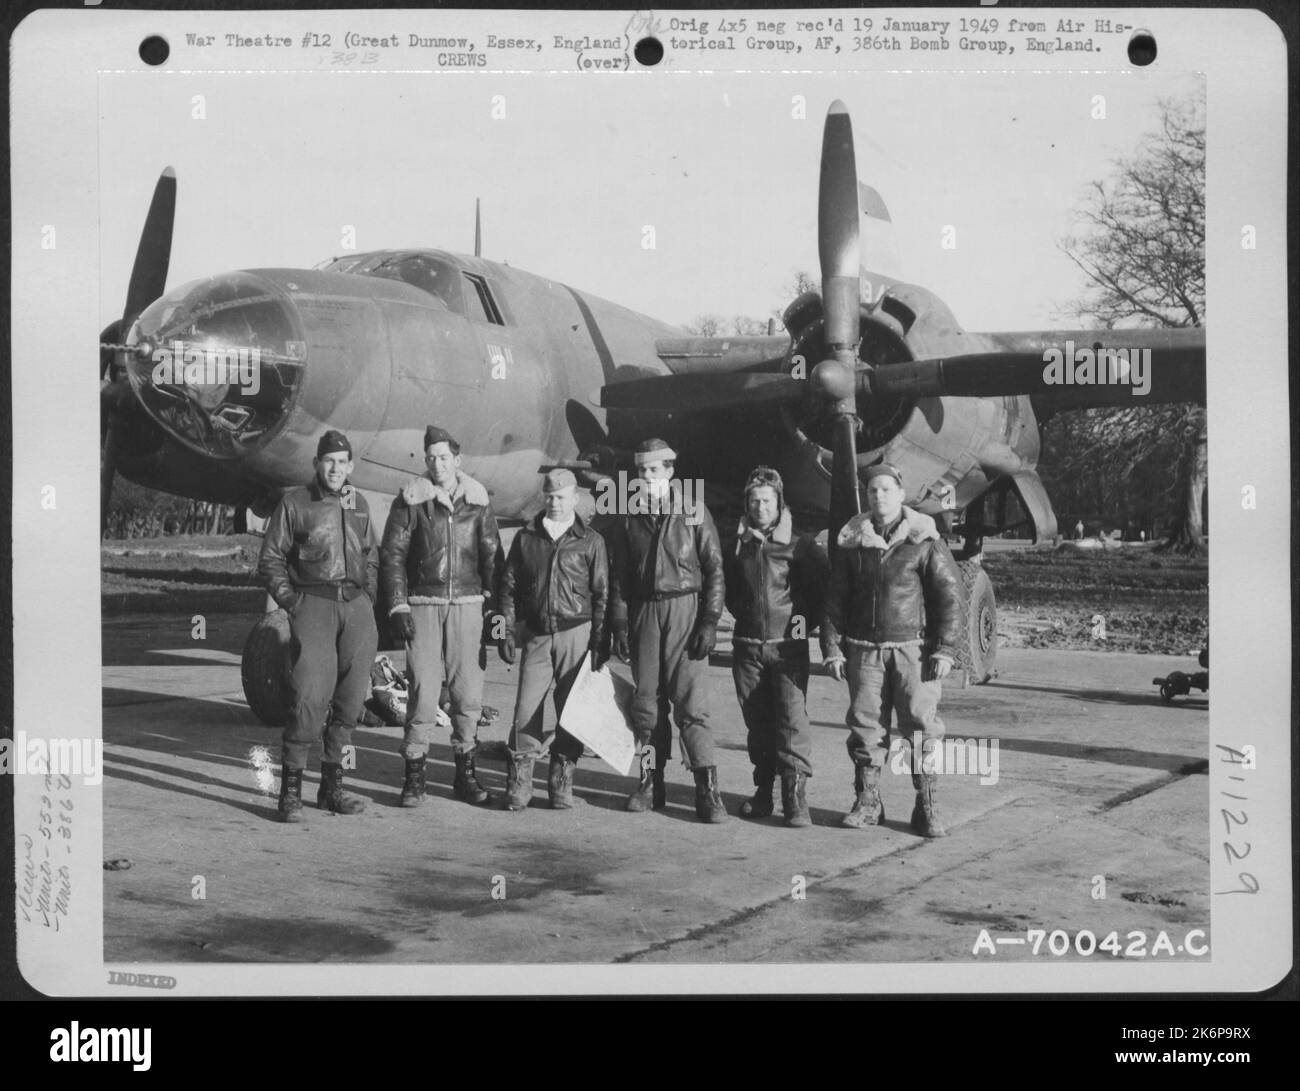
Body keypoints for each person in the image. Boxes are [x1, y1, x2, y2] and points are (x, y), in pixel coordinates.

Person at [822, 463, 963, 837]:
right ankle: (868, 802)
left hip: (913, 651)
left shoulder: (925, 541)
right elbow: (835, 600)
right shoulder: (853, 543)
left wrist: (946, 649)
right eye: (872, 491)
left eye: (886, 489)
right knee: (866, 726)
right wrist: (832, 648)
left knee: (920, 725)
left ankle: (927, 805)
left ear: (901, 494)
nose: (879, 496)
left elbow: (949, 597)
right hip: (863, 651)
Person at [257, 430, 380, 823]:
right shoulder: (295, 503)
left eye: (342, 462)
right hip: (313, 603)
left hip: (356, 607)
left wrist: (368, 598)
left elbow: (372, 555)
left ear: (350, 466)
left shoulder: (358, 503)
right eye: (328, 461)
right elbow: (271, 558)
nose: (335, 468)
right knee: (310, 697)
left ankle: (332, 788)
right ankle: (290, 792)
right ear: (316, 464)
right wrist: (293, 603)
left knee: (351, 701)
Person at [382, 426, 503, 808]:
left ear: (457, 460)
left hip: (468, 606)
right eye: (431, 457)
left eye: (444, 457)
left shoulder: (477, 501)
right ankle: (414, 776)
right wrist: (398, 604)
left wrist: (497, 609)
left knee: (468, 694)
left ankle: (464, 775)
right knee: (423, 693)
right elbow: (393, 556)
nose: (437, 464)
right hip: (424, 604)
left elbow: (492, 557)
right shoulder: (410, 501)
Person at [607, 437, 727, 822]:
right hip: (645, 612)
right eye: (641, 471)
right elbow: (620, 577)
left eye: (654, 470)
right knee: (646, 704)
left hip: (685, 610)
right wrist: (621, 623)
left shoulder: (693, 510)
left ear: (670, 472)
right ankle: (649, 781)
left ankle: (706, 790)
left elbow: (714, 571)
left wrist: (709, 621)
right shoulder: (629, 516)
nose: (646, 476)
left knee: (691, 704)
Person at [497, 468, 609, 810]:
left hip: (577, 633)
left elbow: (602, 593)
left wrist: (600, 641)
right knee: (525, 710)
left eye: (561, 497)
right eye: (550, 497)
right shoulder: (526, 538)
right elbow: (508, 588)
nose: (555, 503)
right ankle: (520, 782)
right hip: (536, 635)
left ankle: (562, 781)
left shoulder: (591, 540)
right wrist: (504, 629)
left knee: (572, 712)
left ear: (575, 499)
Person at [724, 467, 828, 827]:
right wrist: (748, 622)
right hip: (748, 647)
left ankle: (795, 798)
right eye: (754, 500)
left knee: (792, 720)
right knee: (758, 723)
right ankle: (764, 791)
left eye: (767, 500)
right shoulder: (737, 544)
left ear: (779, 502)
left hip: (788, 648)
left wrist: (795, 631)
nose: (760, 506)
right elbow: (730, 592)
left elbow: (817, 595)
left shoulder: (800, 545)